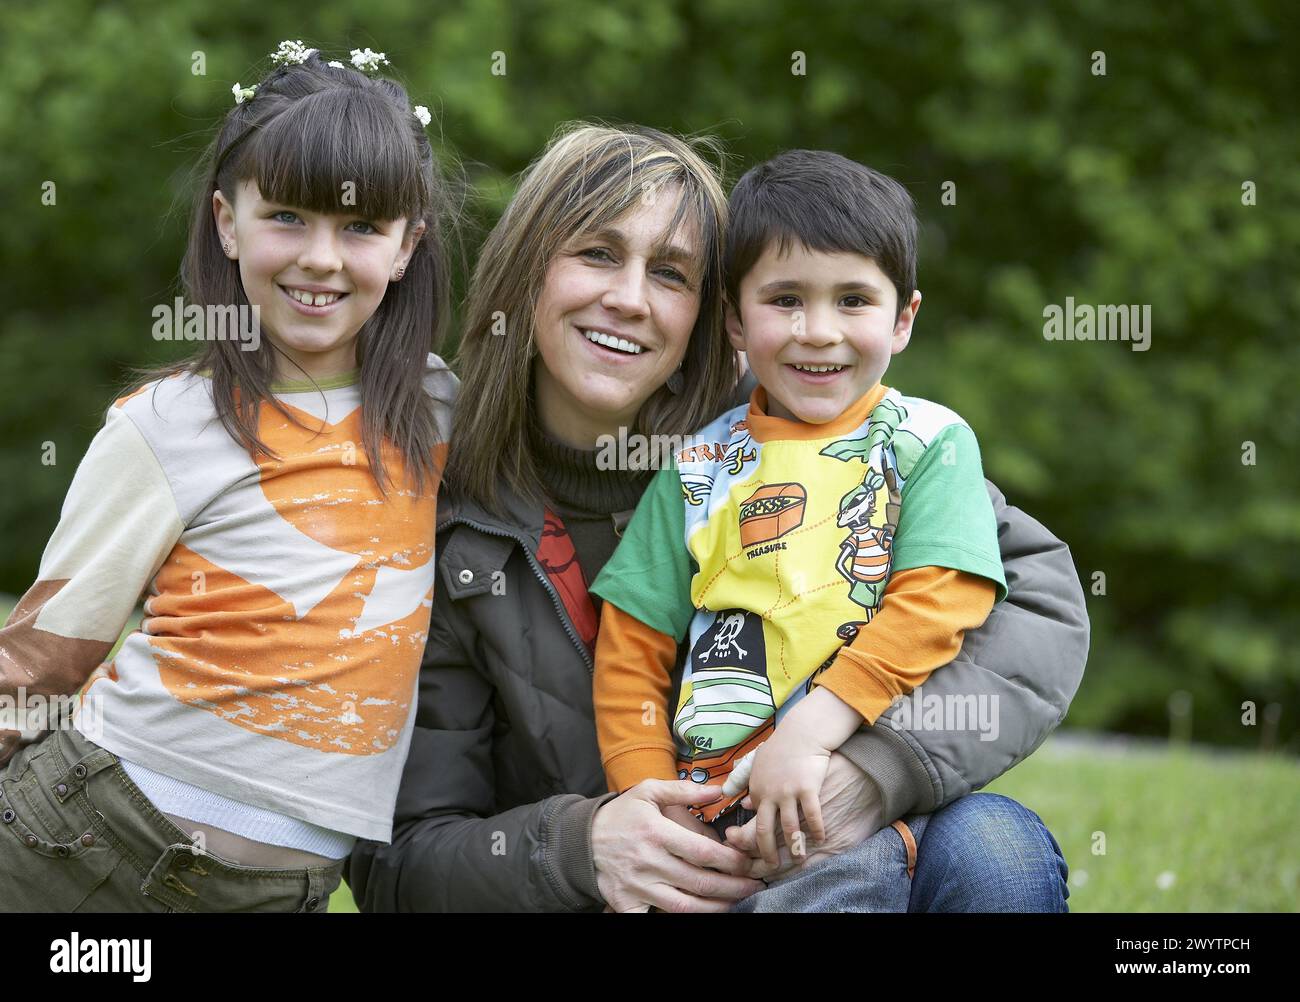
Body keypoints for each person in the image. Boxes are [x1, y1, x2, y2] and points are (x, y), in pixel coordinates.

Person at [346, 124, 1086, 913]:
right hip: (678, 879)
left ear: (709, 311)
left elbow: (1033, 598)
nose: (629, 299)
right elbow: (402, 860)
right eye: (596, 253)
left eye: (669, 272)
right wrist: (580, 846)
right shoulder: (441, 509)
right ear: (527, 271)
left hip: (856, 824)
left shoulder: (799, 422)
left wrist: (876, 770)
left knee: (993, 851)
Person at [0, 42, 458, 913]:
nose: (322, 257)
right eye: (287, 216)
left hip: (286, 888)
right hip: (86, 843)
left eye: (360, 227)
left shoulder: (442, 416)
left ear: (407, 247)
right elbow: (39, 660)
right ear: (226, 222)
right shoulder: (166, 426)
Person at [592, 149, 1004, 907]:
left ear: (903, 318)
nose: (819, 332)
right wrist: (646, 798)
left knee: (932, 874)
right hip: (719, 814)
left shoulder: (927, 441)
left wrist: (812, 732)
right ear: (734, 320)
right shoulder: (696, 468)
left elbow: (940, 600)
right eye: (785, 299)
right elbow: (631, 645)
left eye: (854, 300)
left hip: (865, 797)